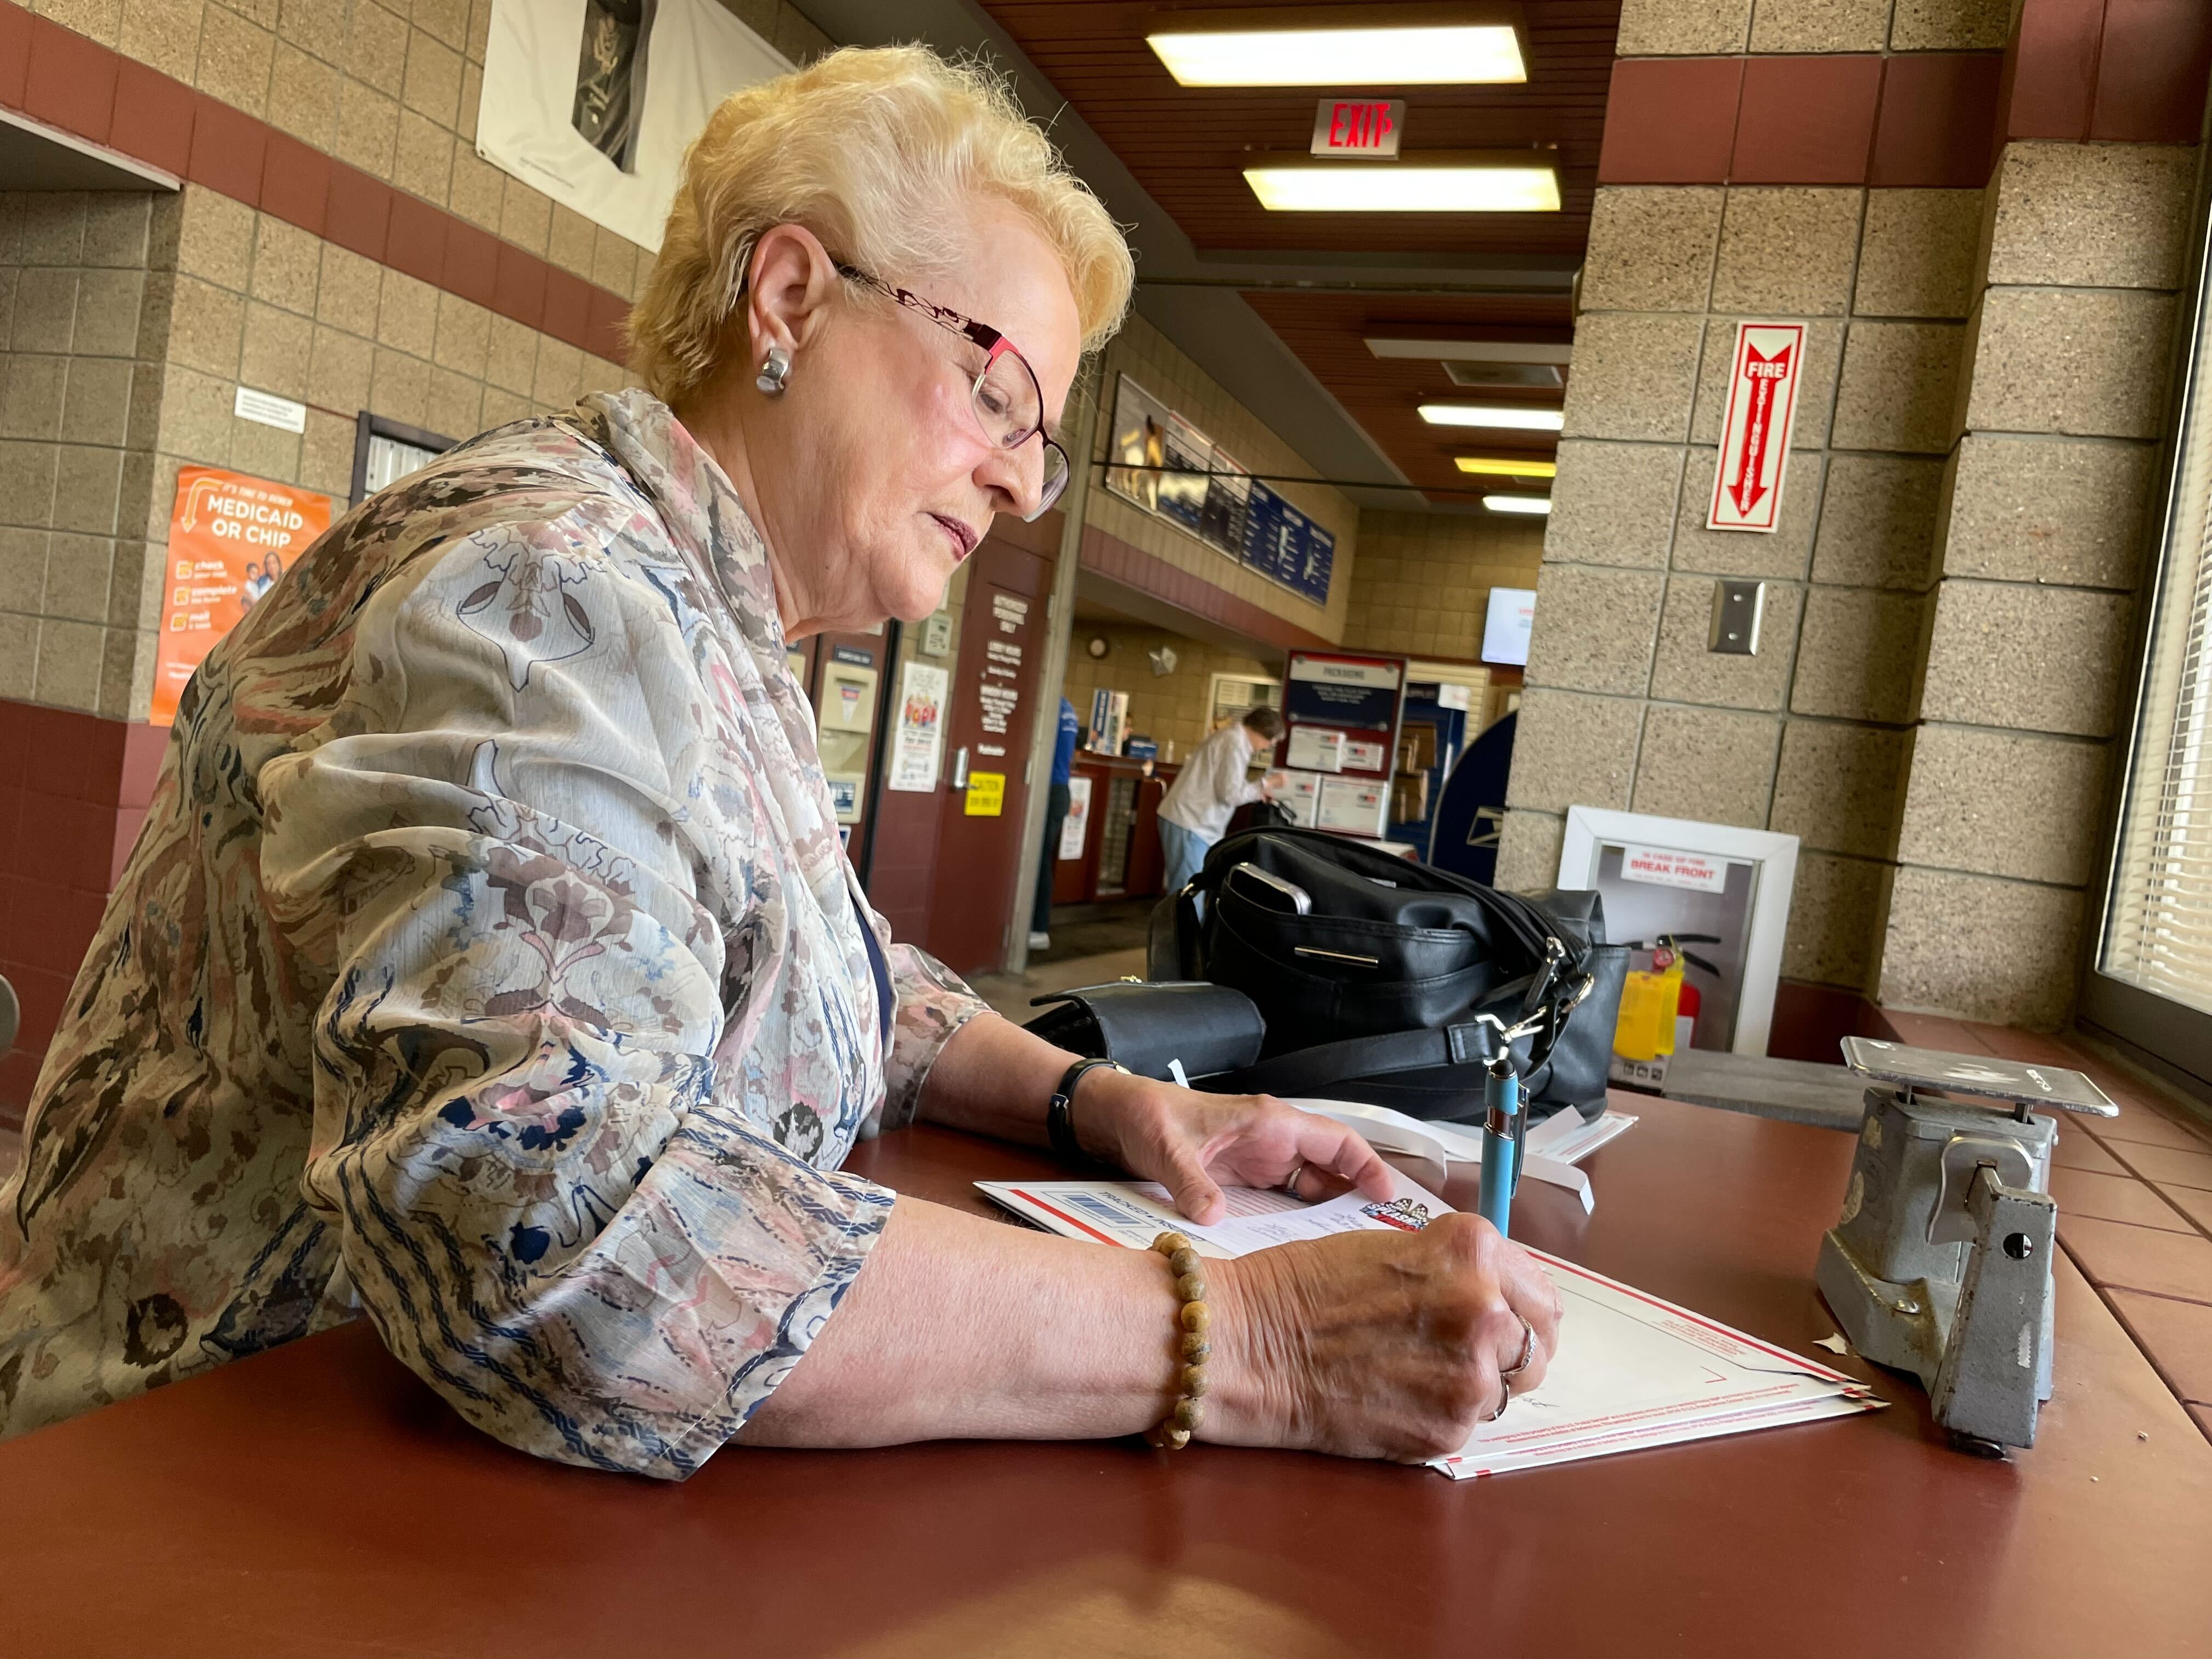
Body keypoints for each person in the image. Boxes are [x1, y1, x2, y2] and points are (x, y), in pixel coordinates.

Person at [0, 47, 1558, 1476]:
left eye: (1043, 435)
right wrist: (1252, 1340)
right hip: (201, 1486)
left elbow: (832, 974)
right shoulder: (555, 592)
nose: (1023, 481)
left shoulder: (716, 627)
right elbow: (559, 1240)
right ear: (794, 297)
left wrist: (1111, 1105)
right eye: (999, 392)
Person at [1157, 706, 1285, 896]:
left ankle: (1183, 926)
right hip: (1190, 822)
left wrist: (1259, 791)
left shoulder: (1231, 739)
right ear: (1263, 734)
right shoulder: (1234, 744)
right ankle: (1182, 927)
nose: (1267, 747)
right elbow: (1230, 794)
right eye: (1271, 742)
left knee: (1190, 891)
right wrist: (1265, 784)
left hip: (1192, 822)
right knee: (1188, 895)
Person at [1028, 693, 1080, 951]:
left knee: (1037, 861)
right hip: (1060, 790)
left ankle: (1036, 927)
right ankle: (1037, 927)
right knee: (1042, 860)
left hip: (1047, 790)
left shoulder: (1049, 707)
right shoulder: (1068, 709)